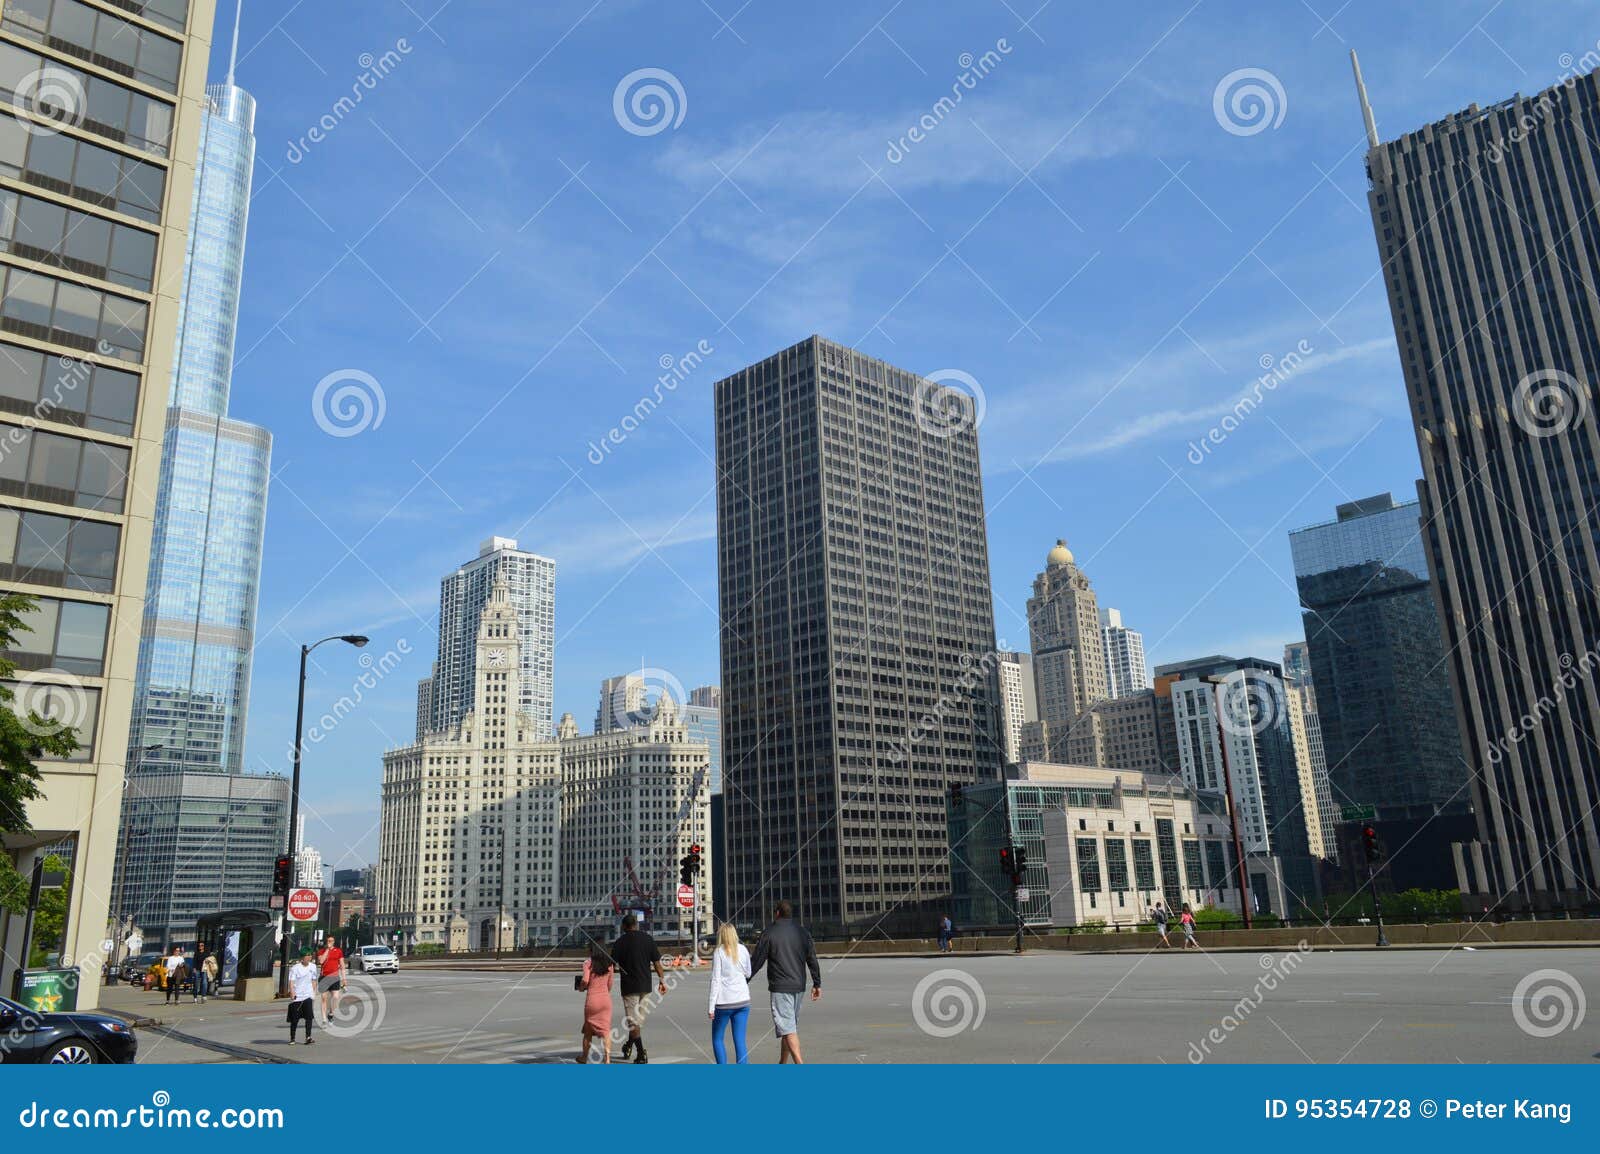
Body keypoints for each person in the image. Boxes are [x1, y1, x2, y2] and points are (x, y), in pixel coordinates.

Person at [749, 900, 821, 1064]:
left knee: (788, 1028)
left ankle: (799, 1063)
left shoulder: (769, 933)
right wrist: (817, 984)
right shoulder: (802, 932)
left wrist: (745, 979)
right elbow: (812, 959)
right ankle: (782, 1063)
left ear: (777, 913)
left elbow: (757, 961)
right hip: (799, 986)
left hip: (781, 987)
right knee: (789, 1027)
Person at [611, 913, 666, 1064]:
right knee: (637, 1022)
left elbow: (611, 965)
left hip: (629, 988)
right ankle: (628, 1046)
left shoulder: (620, 942)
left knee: (633, 1023)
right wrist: (662, 981)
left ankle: (641, 1053)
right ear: (636, 924)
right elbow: (657, 962)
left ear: (624, 926)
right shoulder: (648, 939)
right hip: (646, 987)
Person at [707, 923, 752, 1064]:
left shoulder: (719, 952)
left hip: (724, 1002)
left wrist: (711, 1006)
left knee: (717, 1038)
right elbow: (748, 973)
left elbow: (716, 980)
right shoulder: (743, 950)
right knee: (740, 1040)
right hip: (742, 1000)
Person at [577, 940, 614, 1064]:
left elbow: (585, 980)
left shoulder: (588, 963)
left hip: (592, 1001)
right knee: (606, 1031)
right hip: (605, 1001)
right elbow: (610, 985)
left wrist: (581, 988)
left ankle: (584, 1057)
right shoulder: (610, 964)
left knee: (588, 1032)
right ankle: (607, 1058)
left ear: (592, 950)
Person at [286, 949, 318, 1045]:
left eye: (310, 955)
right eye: (307, 955)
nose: (309, 957)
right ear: (302, 957)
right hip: (298, 996)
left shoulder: (313, 966)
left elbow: (314, 979)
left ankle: (308, 1037)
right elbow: (291, 981)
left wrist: (313, 992)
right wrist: (292, 992)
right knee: (295, 1019)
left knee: (309, 1017)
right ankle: (292, 1038)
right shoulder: (295, 968)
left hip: (308, 995)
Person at [317, 937, 346, 1024]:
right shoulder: (321, 951)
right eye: (328, 941)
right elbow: (321, 961)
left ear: (334, 942)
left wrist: (344, 978)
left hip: (335, 977)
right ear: (326, 942)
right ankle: (324, 1019)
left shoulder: (338, 951)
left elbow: (342, 965)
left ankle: (331, 1013)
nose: (330, 942)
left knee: (336, 998)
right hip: (324, 977)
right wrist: (327, 950)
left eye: (331, 941)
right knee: (324, 999)